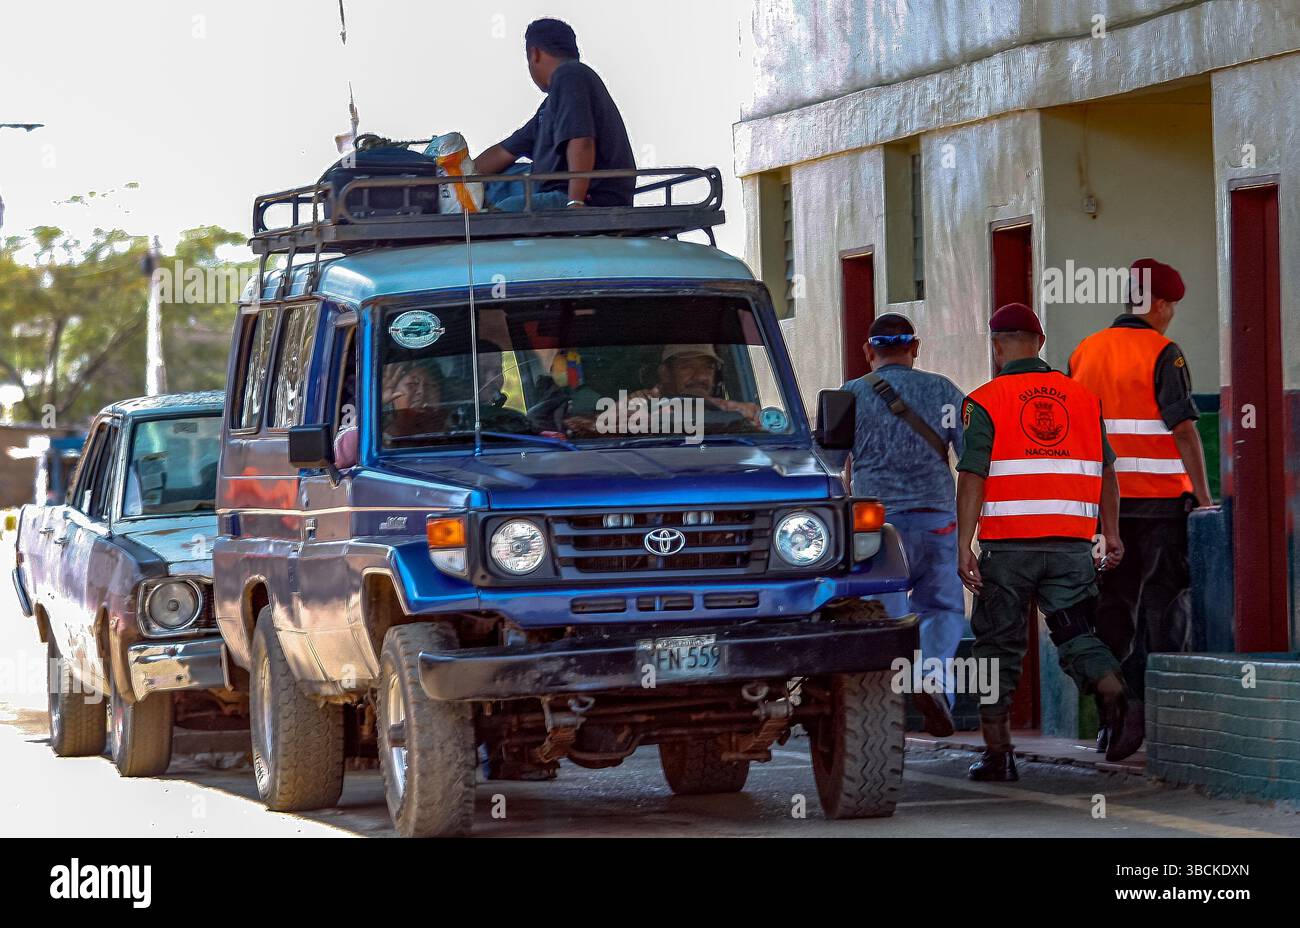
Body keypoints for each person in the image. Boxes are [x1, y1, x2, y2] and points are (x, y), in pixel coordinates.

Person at [956, 303, 1138, 781]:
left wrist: (962, 545)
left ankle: (999, 755)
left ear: (997, 348)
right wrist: (1111, 532)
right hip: (1071, 545)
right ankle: (1115, 694)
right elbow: (1106, 471)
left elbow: (973, 475)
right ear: (1039, 344)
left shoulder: (983, 400)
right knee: (1076, 632)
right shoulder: (1082, 398)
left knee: (996, 648)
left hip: (1008, 549)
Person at [1068, 258, 1213, 757]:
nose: (1171, 313)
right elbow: (1185, 430)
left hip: (1102, 509)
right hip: (1160, 506)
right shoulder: (1163, 352)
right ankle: (1143, 713)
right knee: (1161, 610)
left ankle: (1111, 714)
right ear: (1155, 303)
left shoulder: (1084, 352)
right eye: (1170, 304)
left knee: (1110, 607)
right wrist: (1206, 496)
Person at [840, 312, 966, 737]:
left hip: (876, 524)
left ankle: (886, 707)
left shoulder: (849, 394)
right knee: (942, 607)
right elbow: (971, 459)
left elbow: (831, 468)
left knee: (885, 611)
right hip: (936, 519)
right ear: (915, 347)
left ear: (868, 351)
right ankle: (935, 680)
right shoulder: (944, 391)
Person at [474, 18, 635, 211]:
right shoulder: (551, 104)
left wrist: (575, 203)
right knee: (495, 182)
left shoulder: (570, 76)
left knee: (495, 217)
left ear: (535, 54)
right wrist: (456, 178)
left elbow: (582, 141)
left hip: (587, 197)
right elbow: (505, 152)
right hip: (555, 190)